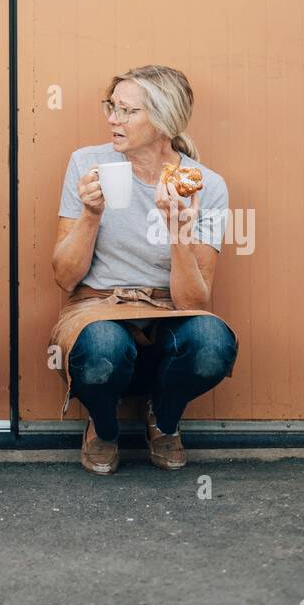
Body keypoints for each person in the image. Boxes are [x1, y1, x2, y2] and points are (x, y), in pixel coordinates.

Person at [50, 65, 239, 476]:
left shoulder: (202, 184)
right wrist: (91, 214)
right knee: (100, 348)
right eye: (111, 107)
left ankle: (164, 418)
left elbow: (194, 302)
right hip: (99, 305)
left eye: (127, 111)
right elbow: (65, 277)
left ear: (163, 121)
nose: (112, 120)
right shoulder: (88, 164)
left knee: (212, 343)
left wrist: (177, 233)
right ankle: (103, 426)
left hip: (170, 308)